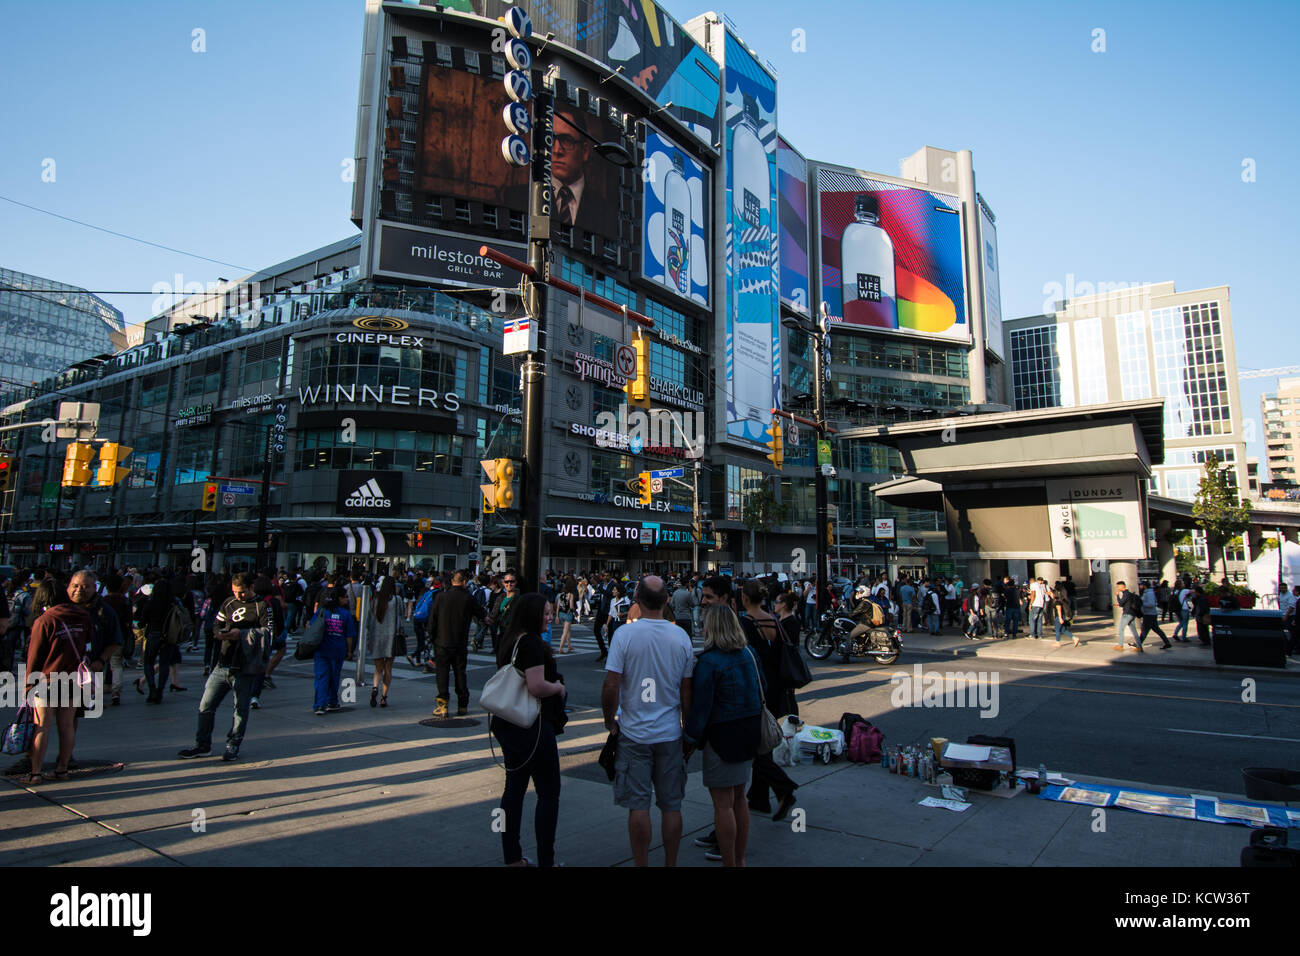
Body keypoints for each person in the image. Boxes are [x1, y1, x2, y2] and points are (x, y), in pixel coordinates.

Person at [601, 576, 695, 867]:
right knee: (671, 805)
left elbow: (611, 684)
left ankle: (641, 863)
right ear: (667, 599)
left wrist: (609, 720)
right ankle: (670, 863)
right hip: (669, 732)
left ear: (637, 600)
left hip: (633, 732)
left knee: (638, 805)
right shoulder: (681, 637)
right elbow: (686, 690)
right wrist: (687, 728)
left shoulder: (625, 636)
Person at [683, 605, 764, 868]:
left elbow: (701, 708)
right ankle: (738, 860)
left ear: (713, 628)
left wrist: (689, 740)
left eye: (705, 623)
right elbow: (763, 685)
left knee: (722, 803)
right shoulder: (750, 653)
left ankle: (729, 860)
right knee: (740, 797)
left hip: (722, 734)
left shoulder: (708, 662)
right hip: (750, 730)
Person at [490, 592, 566, 867]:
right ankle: (547, 859)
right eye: (545, 613)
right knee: (548, 794)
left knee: (514, 790)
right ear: (532, 615)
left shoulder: (509, 639)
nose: (550, 617)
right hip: (531, 724)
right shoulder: (532, 643)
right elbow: (536, 686)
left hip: (507, 723)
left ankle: (512, 856)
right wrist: (557, 687)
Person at [178, 572, 272, 761]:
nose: (239, 596)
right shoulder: (229, 603)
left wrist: (243, 634)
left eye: (242, 592)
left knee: (240, 709)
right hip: (223, 662)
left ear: (251, 588)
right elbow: (217, 623)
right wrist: (219, 633)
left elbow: (268, 632)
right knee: (206, 705)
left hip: (245, 665)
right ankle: (202, 744)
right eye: (235, 592)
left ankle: (233, 744)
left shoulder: (261, 606)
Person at [23, 578, 99, 783]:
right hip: (74, 679)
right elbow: (90, 642)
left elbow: (34, 657)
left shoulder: (44, 620)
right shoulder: (83, 616)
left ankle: (35, 772)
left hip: (48, 679)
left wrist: (28, 686)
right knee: (66, 726)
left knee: (42, 727)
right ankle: (62, 769)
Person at [737, 579, 798, 824]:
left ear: (744, 598)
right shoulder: (774, 620)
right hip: (775, 686)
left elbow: (743, 655)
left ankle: (783, 788)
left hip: (756, 685)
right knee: (764, 741)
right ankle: (759, 797)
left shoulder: (745, 622)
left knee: (754, 744)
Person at [428, 570, 486, 717]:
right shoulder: (468, 598)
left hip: (442, 641)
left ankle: (443, 705)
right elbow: (481, 614)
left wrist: (432, 637)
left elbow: (432, 620)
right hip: (459, 641)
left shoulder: (440, 597)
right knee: (460, 673)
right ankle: (462, 704)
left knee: (442, 673)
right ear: (464, 582)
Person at [551, 107, 616, 237]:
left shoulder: (606, 212)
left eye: (566, 140)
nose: (557, 150)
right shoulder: (521, 195)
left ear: (585, 151)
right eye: (551, 139)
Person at [313, 587, 358, 715]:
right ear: (339, 598)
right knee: (334, 676)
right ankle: (331, 701)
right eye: (345, 597)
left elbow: (311, 626)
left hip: (322, 648)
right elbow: (349, 635)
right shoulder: (345, 614)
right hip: (338, 648)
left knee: (321, 677)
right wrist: (349, 651)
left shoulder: (322, 611)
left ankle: (319, 704)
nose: (347, 599)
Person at [367, 575, 404, 709]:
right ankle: (383, 697)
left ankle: (375, 687)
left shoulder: (375, 600)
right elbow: (401, 617)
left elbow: (369, 620)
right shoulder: (396, 600)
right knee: (388, 668)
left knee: (378, 669)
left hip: (377, 637)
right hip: (391, 637)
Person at [1138, 581, 1173, 651]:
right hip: (1149, 613)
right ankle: (1167, 642)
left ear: (1144, 586)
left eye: (1140, 585)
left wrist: (1141, 604)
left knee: (1145, 629)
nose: (1139, 587)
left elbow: (1151, 604)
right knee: (1156, 629)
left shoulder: (1149, 593)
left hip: (1149, 614)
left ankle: (1138, 644)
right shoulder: (1147, 593)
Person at [1113, 581, 1143, 651]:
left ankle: (1120, 645)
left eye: (1118, 586)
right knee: (1134, 631)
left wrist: (1117, 595)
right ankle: (1139, 646)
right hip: (1132, 614)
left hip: (1127, 614)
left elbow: (1121, 602)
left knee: (1121, 629)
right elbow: (1124, 603)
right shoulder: (1129, 594)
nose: (1117, 588)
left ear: (1122, 586)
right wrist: (1119, 604)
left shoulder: (1125, 594)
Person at [1052, 580, 1078, 647]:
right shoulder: (1063, 601)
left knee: (1057, 629)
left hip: (1059, 617)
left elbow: (1059, 610)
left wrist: (1060, 618)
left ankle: (1058, 642)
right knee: (1063, 630)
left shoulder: (1057, 602)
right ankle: (1074, 638)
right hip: (1063, 615)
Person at [555, 585, 575, 654]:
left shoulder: (560, 595)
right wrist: (574, 610)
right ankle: (560, 648)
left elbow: (557, 606)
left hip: (561, 614)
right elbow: (571, 606)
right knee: (565, 632)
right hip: (567, 614)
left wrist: (557, 616)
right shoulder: (570, 595)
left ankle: (569, 646)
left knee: (568, 630)